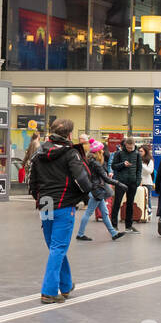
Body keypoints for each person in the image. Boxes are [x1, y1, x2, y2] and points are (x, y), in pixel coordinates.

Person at [28, 118, 90, 304]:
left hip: (45, 202)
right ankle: (48, 291)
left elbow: (32, 181)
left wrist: (38, 196)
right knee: (58, 247)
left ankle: (66, 284)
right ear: (69, 135)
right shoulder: (71, 153)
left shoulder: (39, 152)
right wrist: (84, 195)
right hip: (63, 202)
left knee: (54, 246)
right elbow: (83, 179)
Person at [75, 139, 119, 241]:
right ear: (98, 152)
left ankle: (113, 233)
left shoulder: (89, 161)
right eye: (102, 150)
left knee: (104, 213)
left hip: (96, 190)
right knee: (89, 213)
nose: (103, 151)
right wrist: (118, 183)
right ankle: (80, 234)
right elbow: (104, 177)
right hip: (97, 191)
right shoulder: (96, 163)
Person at [109, 136, 140, 233]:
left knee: (130, 204)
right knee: (117, 203)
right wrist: (123, 164)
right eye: (128, 147)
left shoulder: (137, 154)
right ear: (125, 145)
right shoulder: (119, 153)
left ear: (134, 145)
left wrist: (137, 181)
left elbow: (139, 169)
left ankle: (129, 226)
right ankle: (114, 225)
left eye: (132, 148)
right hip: (121, 182)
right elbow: (113, 166)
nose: (130, 149)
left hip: (132, 182)